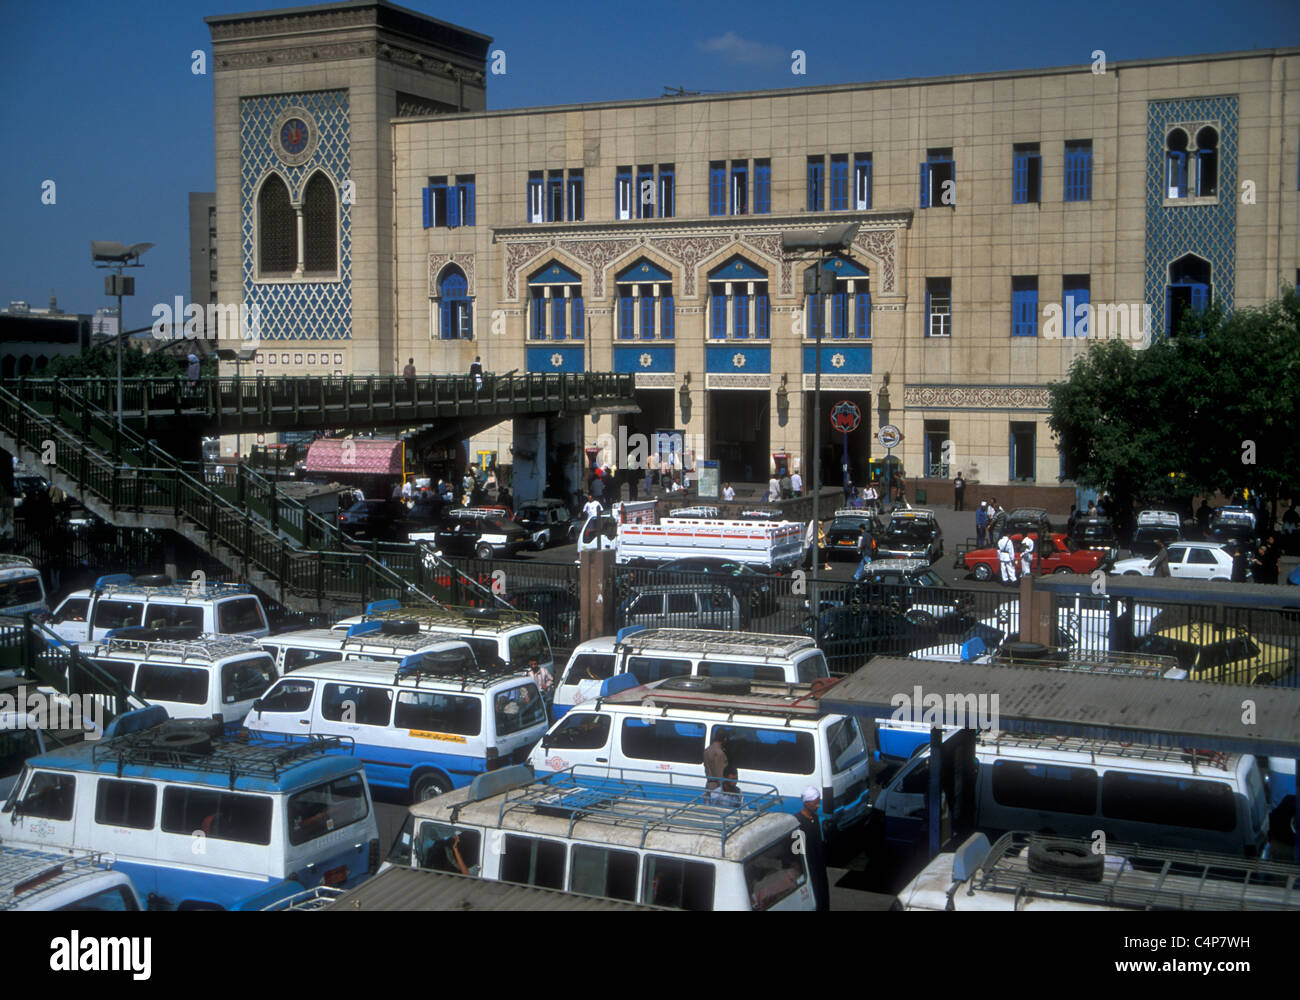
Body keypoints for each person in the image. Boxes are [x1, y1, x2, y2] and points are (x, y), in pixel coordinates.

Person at [796, 787, 830, 912]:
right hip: (809, 868)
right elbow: (796, 851)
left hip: (819, 867)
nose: (818, 805)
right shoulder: (798, 822)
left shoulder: (814, 818)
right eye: (815, 803)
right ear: (806, 803)